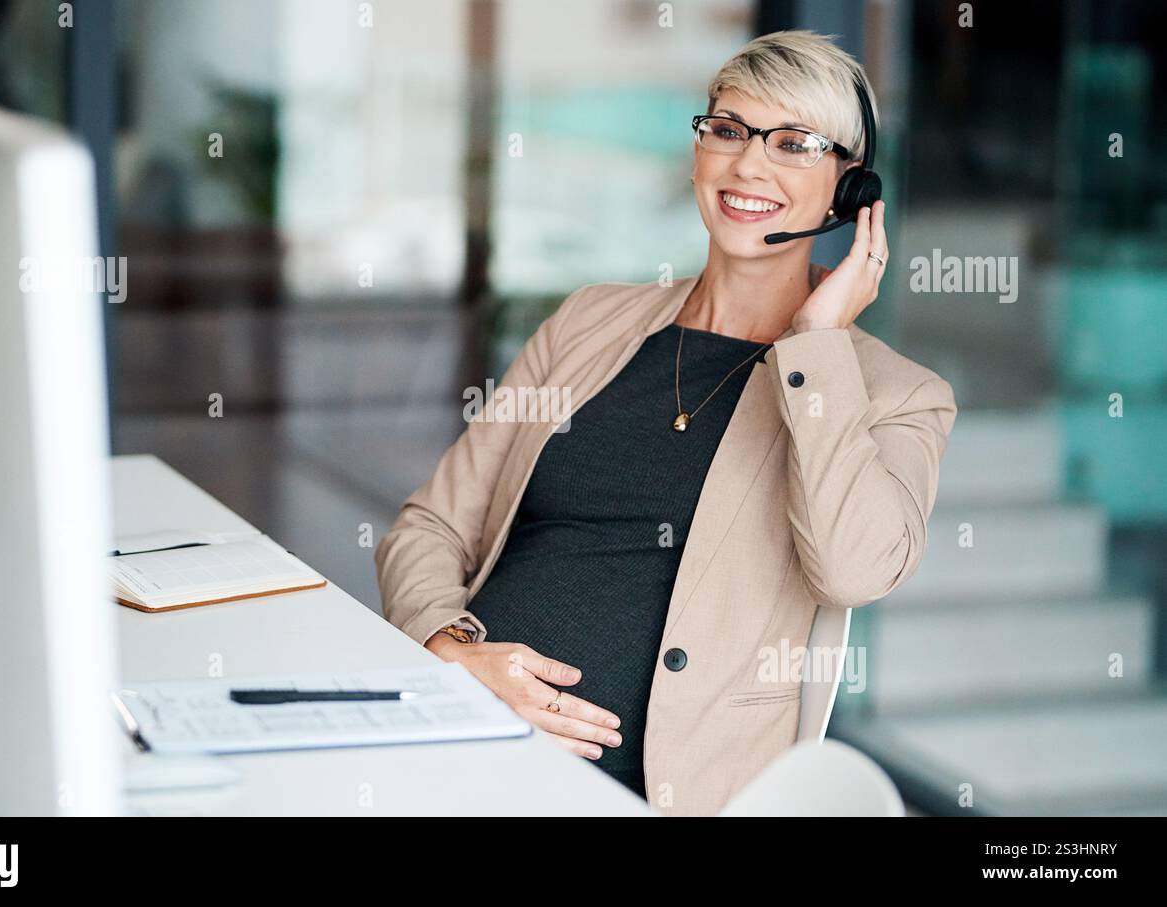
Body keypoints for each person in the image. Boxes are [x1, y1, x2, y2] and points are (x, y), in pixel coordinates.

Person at [375, 30, 957, 816]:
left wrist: (818, 344)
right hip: (455, 737)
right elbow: (430, 526)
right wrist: (454, 652)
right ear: (699, 152)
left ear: (850, 190)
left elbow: (853, 567)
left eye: (794, 144)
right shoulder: (588, 320)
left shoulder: (897, 394)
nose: (749, 165)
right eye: (728, 130)